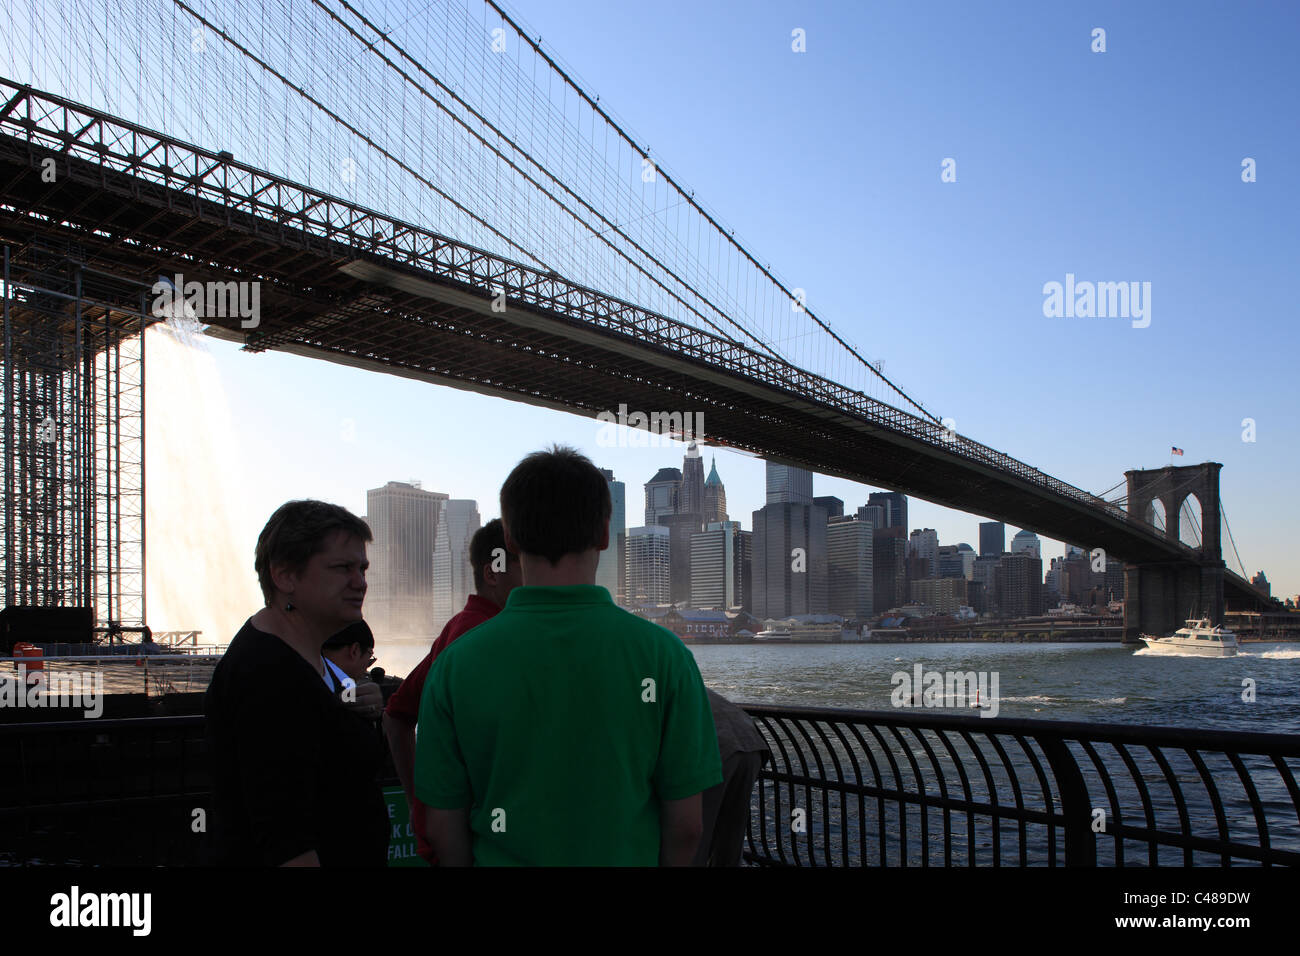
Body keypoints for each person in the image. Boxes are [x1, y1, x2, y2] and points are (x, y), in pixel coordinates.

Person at [415, 446, 722, 865]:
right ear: (603, 535)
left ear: (509, 538)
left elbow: (441, 826)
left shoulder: (455, 663)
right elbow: (687, 827)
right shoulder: (665, 656)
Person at [204, 500, 388, 867]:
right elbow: (285, 841)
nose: (360, 582)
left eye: (363, 568)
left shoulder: (305, 658)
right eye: (342, 568)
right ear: (285, 576)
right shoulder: (268, 676)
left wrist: (351, 703)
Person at [382, 518, 522, 864]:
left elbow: (397, 716)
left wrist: (420, 805)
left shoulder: (458, 627)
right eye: (530, 564)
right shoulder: (482, 635)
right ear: (494, 573)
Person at [694, 689, 771, 866]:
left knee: (694, 841)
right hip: (750, 741)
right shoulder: (678, 681)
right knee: (730, 840)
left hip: (715, 746)